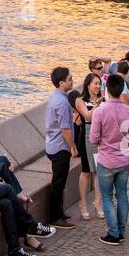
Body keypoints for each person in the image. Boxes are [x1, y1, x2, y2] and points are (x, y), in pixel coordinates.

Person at [88, 72, 129, 245]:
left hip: (106, 160)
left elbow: (93, 138)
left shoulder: (100, 112)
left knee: (107, 197)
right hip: (124, 160)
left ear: (107, 90)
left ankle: (113, 233)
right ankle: (121, 231)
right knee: (122, 194)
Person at [44, 66, 78, 228]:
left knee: (60, 182)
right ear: (61, 82)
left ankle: (59, 212)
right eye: (70, 79)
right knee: (58, 183)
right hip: (60, 147)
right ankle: (55, 217)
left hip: (52, 144)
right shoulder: (62, 102)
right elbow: (65, 128)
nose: (72, 80)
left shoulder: (56, 97)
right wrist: (72, 147)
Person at [71, 76, 97, 220]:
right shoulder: (80, 100)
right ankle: (83, 204)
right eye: (95, 84)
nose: (98, 86)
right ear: (88, 85)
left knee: (99, 172)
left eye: (99, 84)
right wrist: (97, 106)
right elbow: (87, 117)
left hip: (100, 138)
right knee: (86, 172)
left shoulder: (103, 99)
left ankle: (98, 203)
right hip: (86, 138)